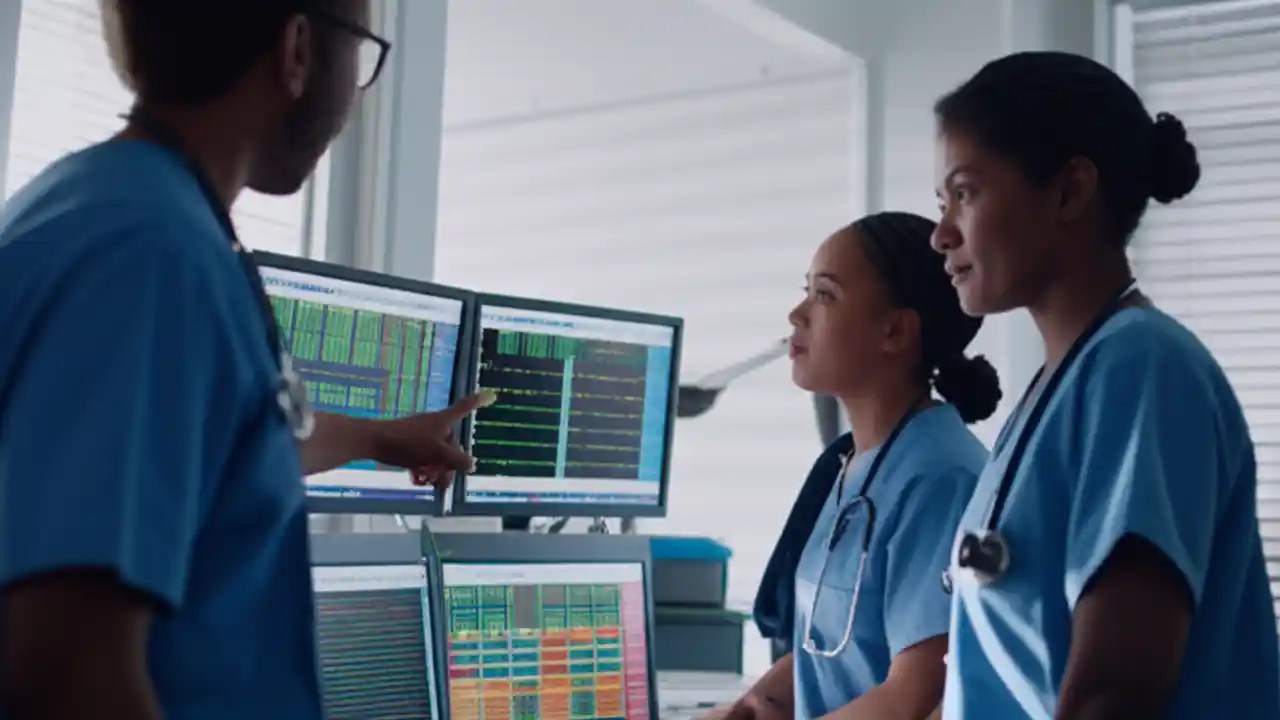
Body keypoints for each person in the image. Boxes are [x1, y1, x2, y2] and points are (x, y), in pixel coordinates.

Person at [0, 1, 486, 718]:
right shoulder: (155, 258)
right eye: (361, 56)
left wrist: (380, 438)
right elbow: (67, 668)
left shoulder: (95, 203)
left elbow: (199, 452)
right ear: (297, 49)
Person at [931, 51, 1280, 719]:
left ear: (1068, 192)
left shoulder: (1143, 368)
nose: (941, 233)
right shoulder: (1060, 385)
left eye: (965, 193)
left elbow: (1114, 693)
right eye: (941, 202)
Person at [718, 211, 1002, 720]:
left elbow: (913, 699)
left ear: (895, 330)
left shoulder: (942, 479)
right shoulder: (854, 463)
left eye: (824, 295)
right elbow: (826, 645)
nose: (796, 315)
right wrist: (754, 705)